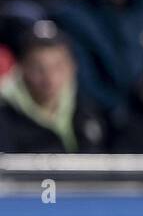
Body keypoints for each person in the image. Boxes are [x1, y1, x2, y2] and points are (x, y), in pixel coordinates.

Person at [0, 24, 108, 152]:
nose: (49, 78)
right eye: (38, 68)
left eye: (58, 66)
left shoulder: (91, 111)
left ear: (72, 67)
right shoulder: (4, 118)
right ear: (21, 69)